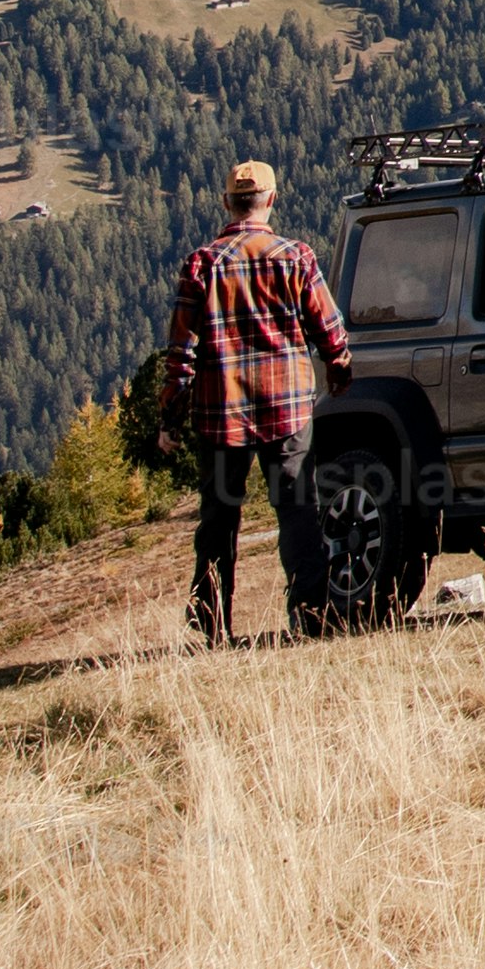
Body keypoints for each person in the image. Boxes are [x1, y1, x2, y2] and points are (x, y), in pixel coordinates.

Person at [163, 159, 352, 641]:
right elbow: (329, 330)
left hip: (218, 412)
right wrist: (338, 370)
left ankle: (211, 626)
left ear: (228, 203)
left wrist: (170, 416)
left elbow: (181, 350)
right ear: (271, 200)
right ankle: (310, 619)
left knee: (219, 517)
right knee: (297, 510)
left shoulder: (202, 263)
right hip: (286, 409)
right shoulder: (296, 258)